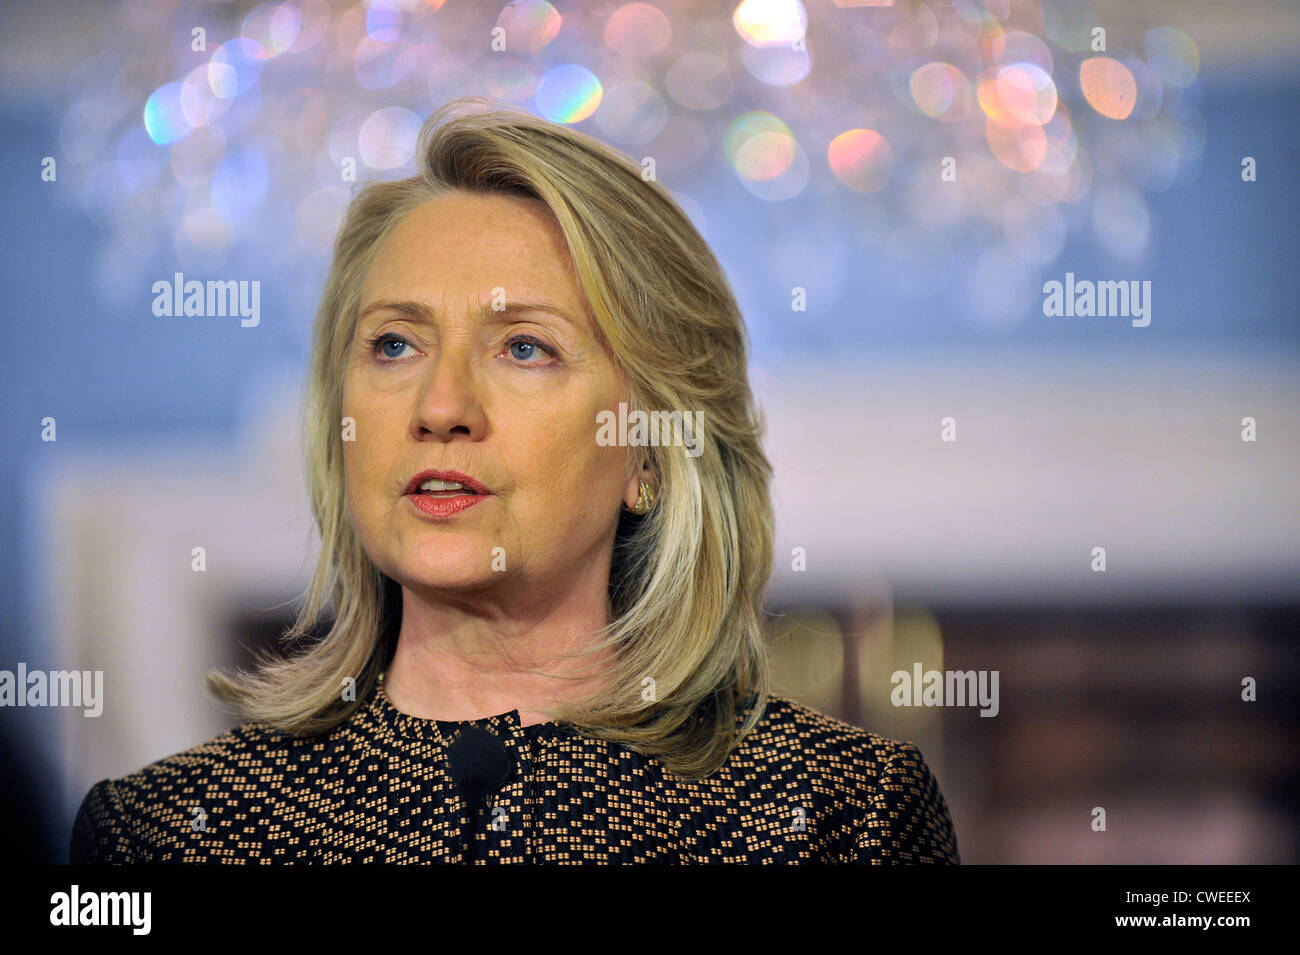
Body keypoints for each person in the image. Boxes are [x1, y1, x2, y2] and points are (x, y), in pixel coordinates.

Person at [70, 97, 959, 864]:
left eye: (524, 348)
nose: (441, 405)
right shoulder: (171, 832)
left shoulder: (843, 815)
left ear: (648, 452)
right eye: (394, 345)